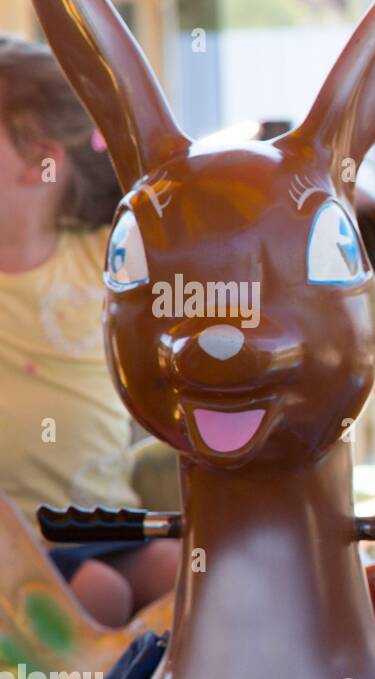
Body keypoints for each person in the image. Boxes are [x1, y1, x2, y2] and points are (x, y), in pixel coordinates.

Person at [0, 36, 179, 627]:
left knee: (186, 576)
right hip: (18, 541)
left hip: (107, 523)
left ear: (39, 160)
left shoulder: (104, 257)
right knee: (97, 593)